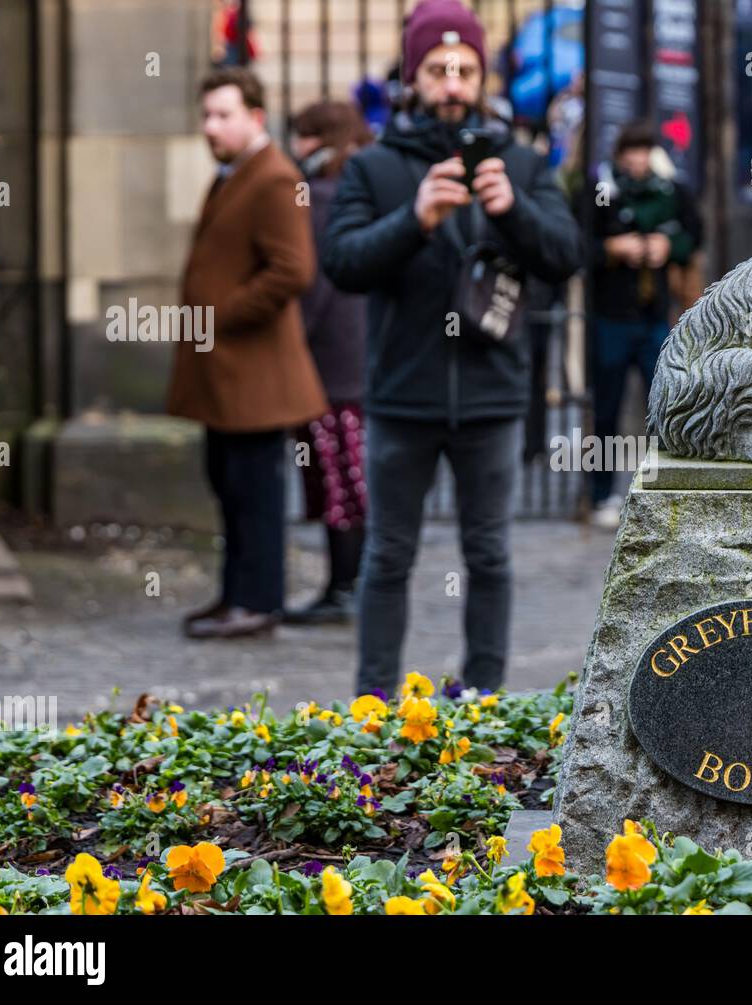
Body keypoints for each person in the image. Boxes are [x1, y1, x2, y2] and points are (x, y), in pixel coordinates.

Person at [322, 0, 581, 696]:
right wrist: (415, 219)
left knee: (489, 555)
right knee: (389, 556)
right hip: (402, 396)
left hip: (494, 396)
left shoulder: (522, 165)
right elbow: (342, 262)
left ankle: (486, 701)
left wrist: (512, 211)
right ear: (413, 79)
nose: (453, 83)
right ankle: (374, 705)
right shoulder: (374, 169)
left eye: (465, 68)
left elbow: (564, 255)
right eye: (437, 69)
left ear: (483, 76)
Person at [167, 67, 327, 640]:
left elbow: (293, 269)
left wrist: (224, 314)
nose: (211, 126)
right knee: (229, 484)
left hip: (256, 374)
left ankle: (259, 602)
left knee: (255, 492)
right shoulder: (234, 173)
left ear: (254, 117)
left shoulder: (274, 177)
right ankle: (235, 594)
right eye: (206, 114)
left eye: (223, 114)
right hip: (227, 374)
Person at [582, 122, 703, 529]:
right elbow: (577, 245)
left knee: (666, 403)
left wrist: (668, 247)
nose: (636, 159)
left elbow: (693, 234)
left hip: (656, 317)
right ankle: (601, 494)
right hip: (610, 317)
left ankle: (667, 484)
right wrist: (613, 249)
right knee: (606, 410)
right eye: (630, 151)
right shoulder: (601, 190)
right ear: (620, 154)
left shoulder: (672, 191)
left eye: (643, 150)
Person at [285, 101, 375, 625]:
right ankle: (347, 584)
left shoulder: (318, 197)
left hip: (330, 365)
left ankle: (341, 588)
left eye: (302, 136)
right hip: (361, 361)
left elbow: (313, 289)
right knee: (351, 480)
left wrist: (290, 344)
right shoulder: (359, 190)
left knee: (338, 483)